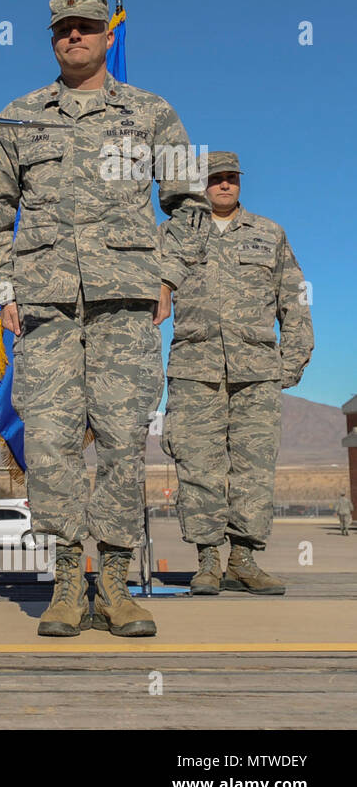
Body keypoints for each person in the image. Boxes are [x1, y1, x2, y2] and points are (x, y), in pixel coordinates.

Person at [0, 0, 208, 638]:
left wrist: (166, 275)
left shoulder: (151, 112)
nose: (74, 37)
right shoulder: (20, 117)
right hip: (45, 308)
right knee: (49, 446)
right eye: (63, 30)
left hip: (126, 307)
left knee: (122, 443)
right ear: (52, 40)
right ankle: (65, 585)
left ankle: (115, 584)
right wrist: (5, 292)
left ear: (108, 36)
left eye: (87, 28)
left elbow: (190, 203)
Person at [160, 152, 313, 594]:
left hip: (257, 372)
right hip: (194, 370)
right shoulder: (174, 235)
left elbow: (294, 298)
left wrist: (291, 360)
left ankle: (243, 559)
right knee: (198, 465)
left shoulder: (269, 234)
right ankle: (207, 561)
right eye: (215, 179)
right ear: (200, 186)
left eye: (231, 179)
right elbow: (148, 299)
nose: (224, 186)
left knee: (254, 468)